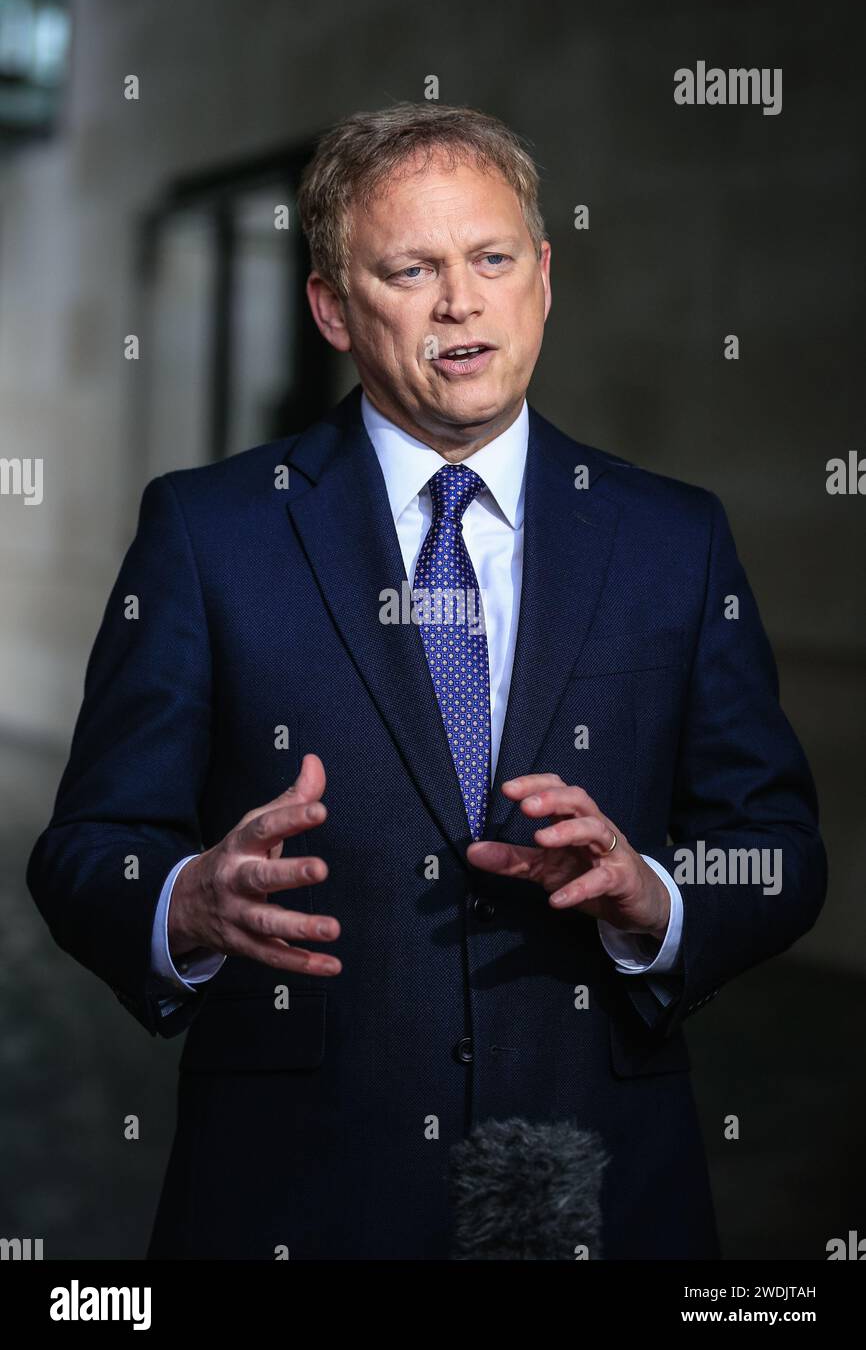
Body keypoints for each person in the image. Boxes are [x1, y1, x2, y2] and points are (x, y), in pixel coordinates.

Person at [27, 102, 827, 1260]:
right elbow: (86, 846)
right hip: (295, 1192)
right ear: (332, 309)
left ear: (541, 278)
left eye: (491, 259)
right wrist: (182, 900)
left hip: (596, 1187)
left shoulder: (672, 538)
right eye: (410, 268)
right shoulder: (209, 535)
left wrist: (656, 898)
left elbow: (777, 846)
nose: (460, 301)